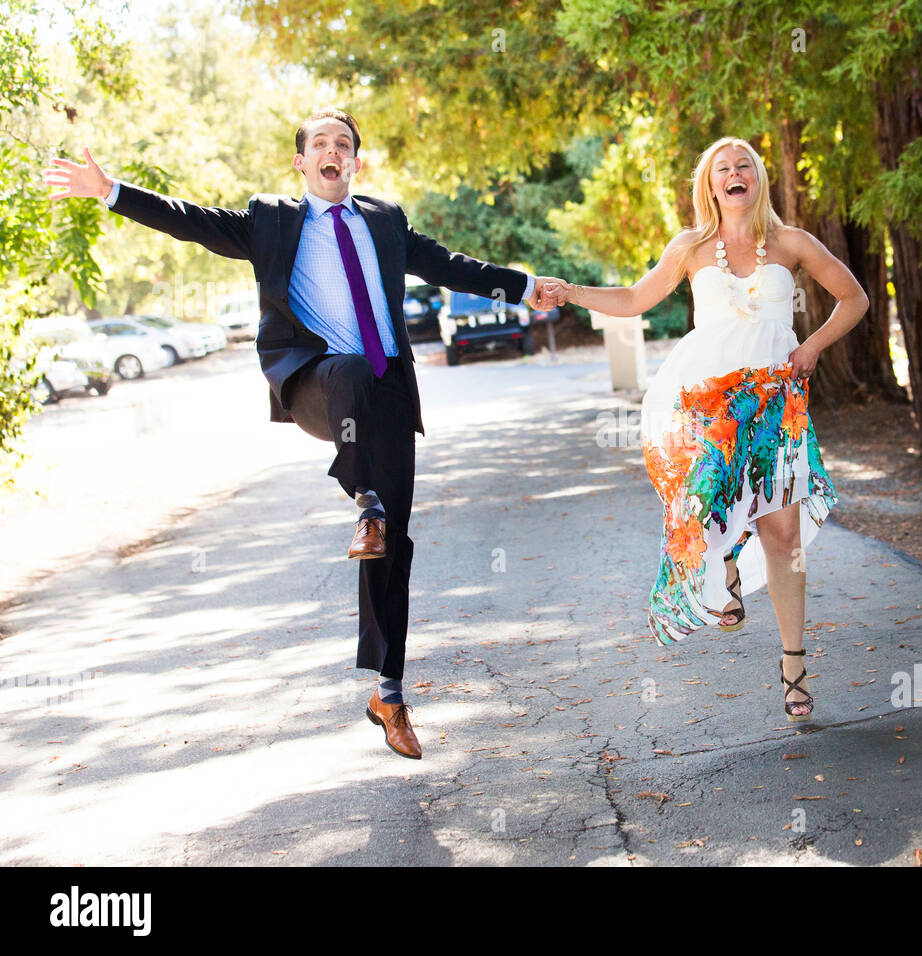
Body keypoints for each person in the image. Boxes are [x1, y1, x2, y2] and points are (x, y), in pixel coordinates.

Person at [42, 108, 566, 758]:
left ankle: (390, 691)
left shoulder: (385, 222)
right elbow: (194, 221)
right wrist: (112, 191)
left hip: (388, 394)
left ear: (354, 161)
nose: (331, 150)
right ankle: (363, 500)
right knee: (347, 377)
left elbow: (448, 266)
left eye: (343, 143)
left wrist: (522, 286)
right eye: (319, 142)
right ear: (301, 162)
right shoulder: (272, 220)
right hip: (315, 384)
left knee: (390, 546)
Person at [561, 137, 869, 721]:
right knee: (707, 504)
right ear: (710, 184)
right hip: (707, 400)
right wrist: (571, 292)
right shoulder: (691, 248)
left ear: (757, 179)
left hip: (777, 401)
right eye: (722, 168)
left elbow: (854, 298)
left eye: (744, 166)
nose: (735, 174)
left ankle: (793, 668)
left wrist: (812, 348)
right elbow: (633, 298)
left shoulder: (792, 243)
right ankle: (724, 564)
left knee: (784, 536)